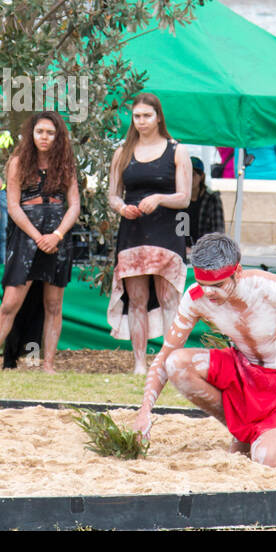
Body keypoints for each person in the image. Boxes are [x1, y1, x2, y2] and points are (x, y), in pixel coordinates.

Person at [132, 233, 276, 467]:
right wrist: (144, 411)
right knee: (176, 363)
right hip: (244, 371)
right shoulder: (196, 297)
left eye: (218, 285)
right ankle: (245, 430)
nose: (209, 293)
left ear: (237, 272)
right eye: (204, 285)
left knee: (265, 460)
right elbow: (165, 355)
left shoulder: (266, 287)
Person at [0, 111, 82, 373]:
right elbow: (12, 205)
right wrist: (37, 237)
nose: (45, 137)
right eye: (40, 132)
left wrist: (56, 235)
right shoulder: (18, 162)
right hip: (25, 240)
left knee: (54, 305)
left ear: (59, 136)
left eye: (51, 133)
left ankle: (48, 364)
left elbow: (74, 205)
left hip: (58, 239)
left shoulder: (65, 164)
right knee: (10, 303)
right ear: (31, 134)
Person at [107, 93, 192, 374]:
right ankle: (140, 364)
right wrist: (121, 208)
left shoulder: (177, 151)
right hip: (132, 230)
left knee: (169, 297)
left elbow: (185, 197)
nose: (141, 121)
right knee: (137, 298)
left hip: (166, 231)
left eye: (147, 115)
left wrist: (158, 198)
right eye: (137, 116)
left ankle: (171, 362)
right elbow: (113, 195)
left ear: (158, 117)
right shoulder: (122, 152)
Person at [186, 157, 225, 247]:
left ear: (202, 176)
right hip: (181, 249)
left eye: (193, 174)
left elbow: (218, 232)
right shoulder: (177, 197)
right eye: (185, 174)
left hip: (205, 250)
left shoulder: (212, 198)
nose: (189, 178)